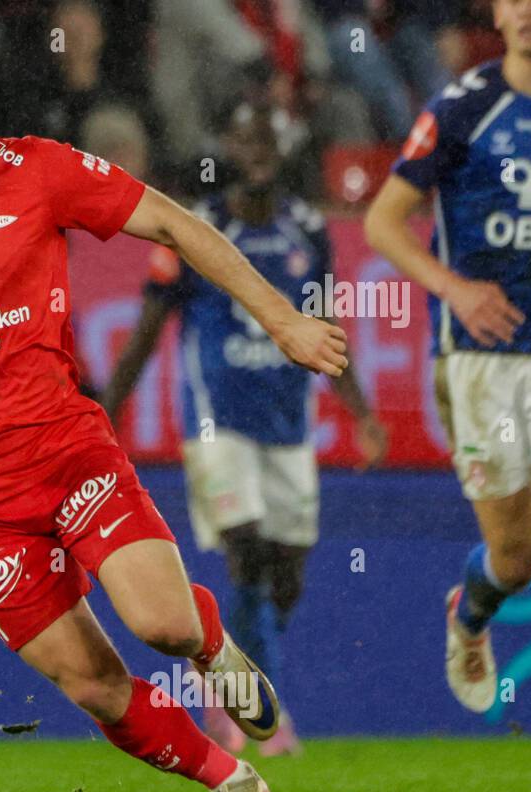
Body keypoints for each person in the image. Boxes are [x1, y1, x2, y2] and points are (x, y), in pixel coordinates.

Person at [0, 15, 349, 792]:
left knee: (159, 624)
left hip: (66, 448)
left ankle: (210, 647)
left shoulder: (33, 169)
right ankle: (230, 779)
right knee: (91, 682)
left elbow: (173, 221)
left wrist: (281, 320)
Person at [103, 101, 387, 757]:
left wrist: (362, 411)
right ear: (227, 147)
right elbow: (148, 330)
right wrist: (109, 406)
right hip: (216, 425)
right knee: (248, 551)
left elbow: (323, 325)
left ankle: (226, 678)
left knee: (285, 577)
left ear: (284, 145)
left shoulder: (308, 230)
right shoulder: (195, 229)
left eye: (269, 135)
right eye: (245, 137)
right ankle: (266, 715)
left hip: (288, 426)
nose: (257, 149)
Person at [365, 0, 531, 790]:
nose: (527, 10)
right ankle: (470, 615)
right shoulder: (463, 107)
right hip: (478, 364)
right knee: (517, 558)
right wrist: (456, 290)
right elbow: (382, 221)